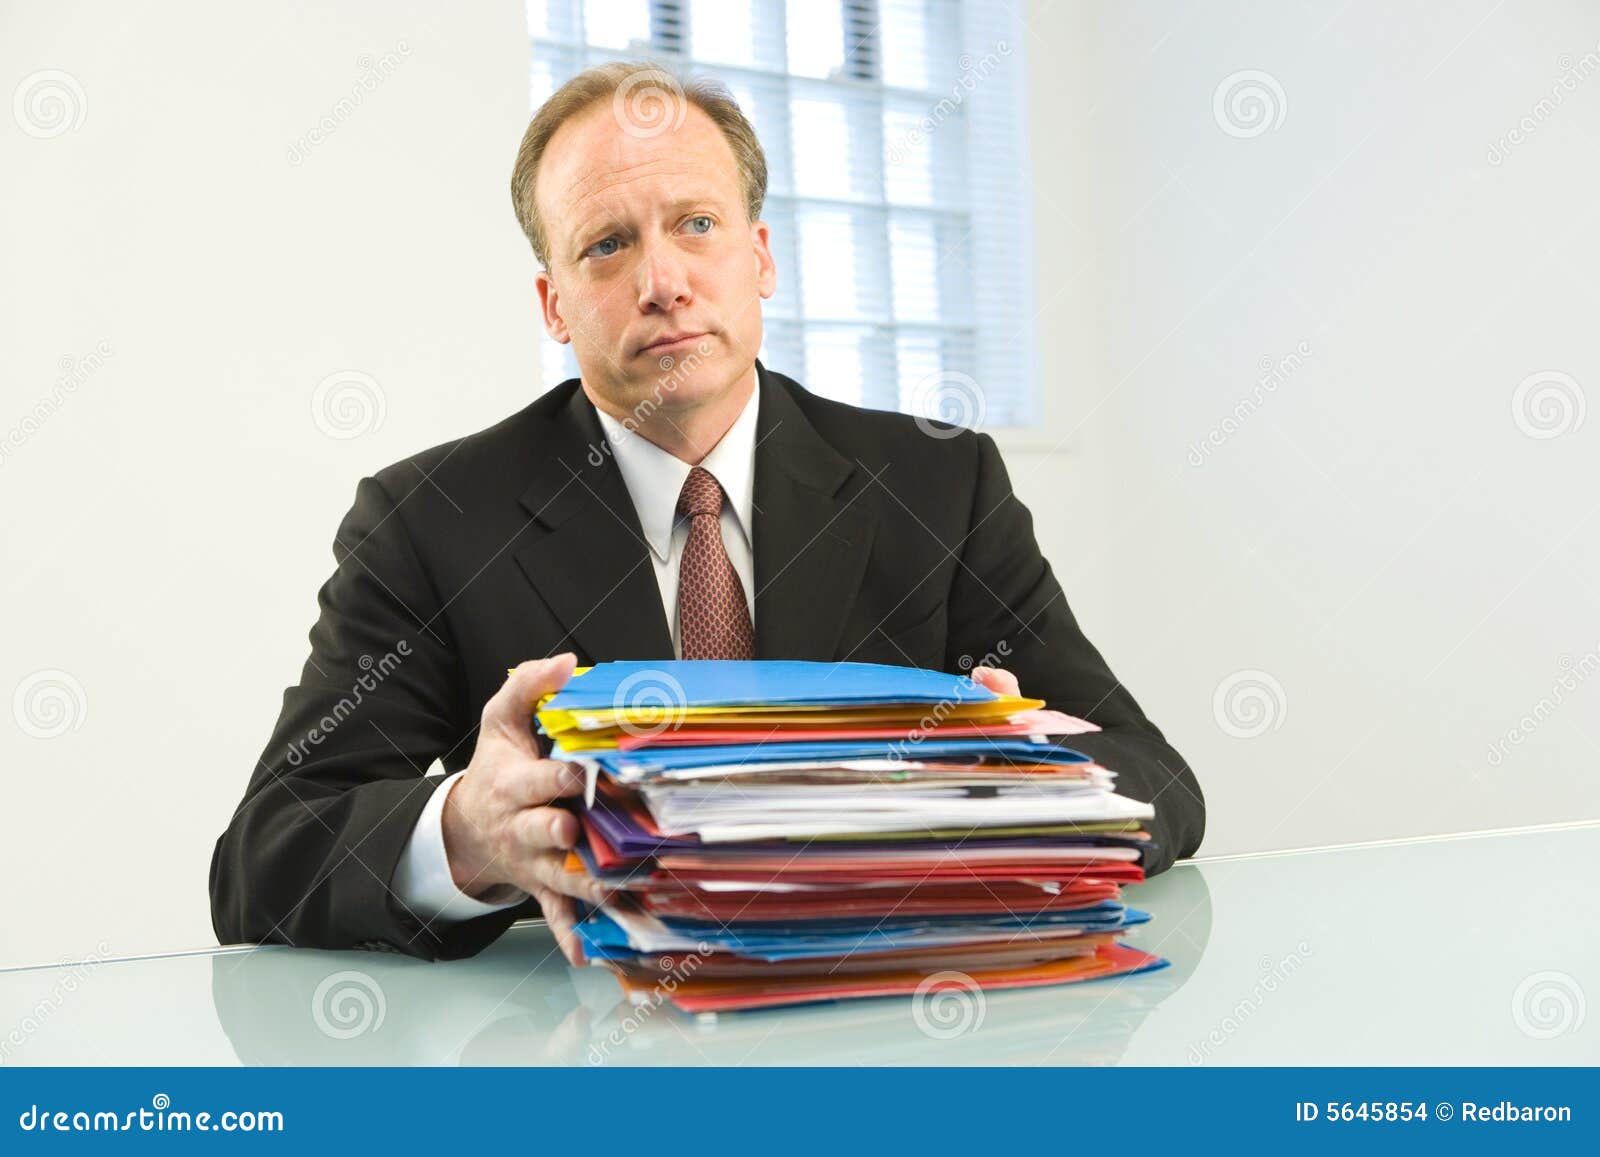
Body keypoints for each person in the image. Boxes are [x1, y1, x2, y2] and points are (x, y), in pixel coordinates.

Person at [209, 61, 1205, 965]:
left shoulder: (937, 483)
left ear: (760, 256)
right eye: (606, 246)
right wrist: (470, 832)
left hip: (888, 1029)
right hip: (594, 1050)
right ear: (554, 304)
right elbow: (264, 857)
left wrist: (1002, 788)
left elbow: (1157, 781)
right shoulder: (432, 522)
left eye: (695, 223)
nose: (661, 282)